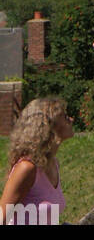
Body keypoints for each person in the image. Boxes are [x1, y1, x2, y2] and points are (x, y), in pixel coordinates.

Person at [0, 97, 73, 226]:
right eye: (65, 117)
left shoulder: (53, 164)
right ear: (49, 125)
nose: (71, 120)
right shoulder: (26, 169)